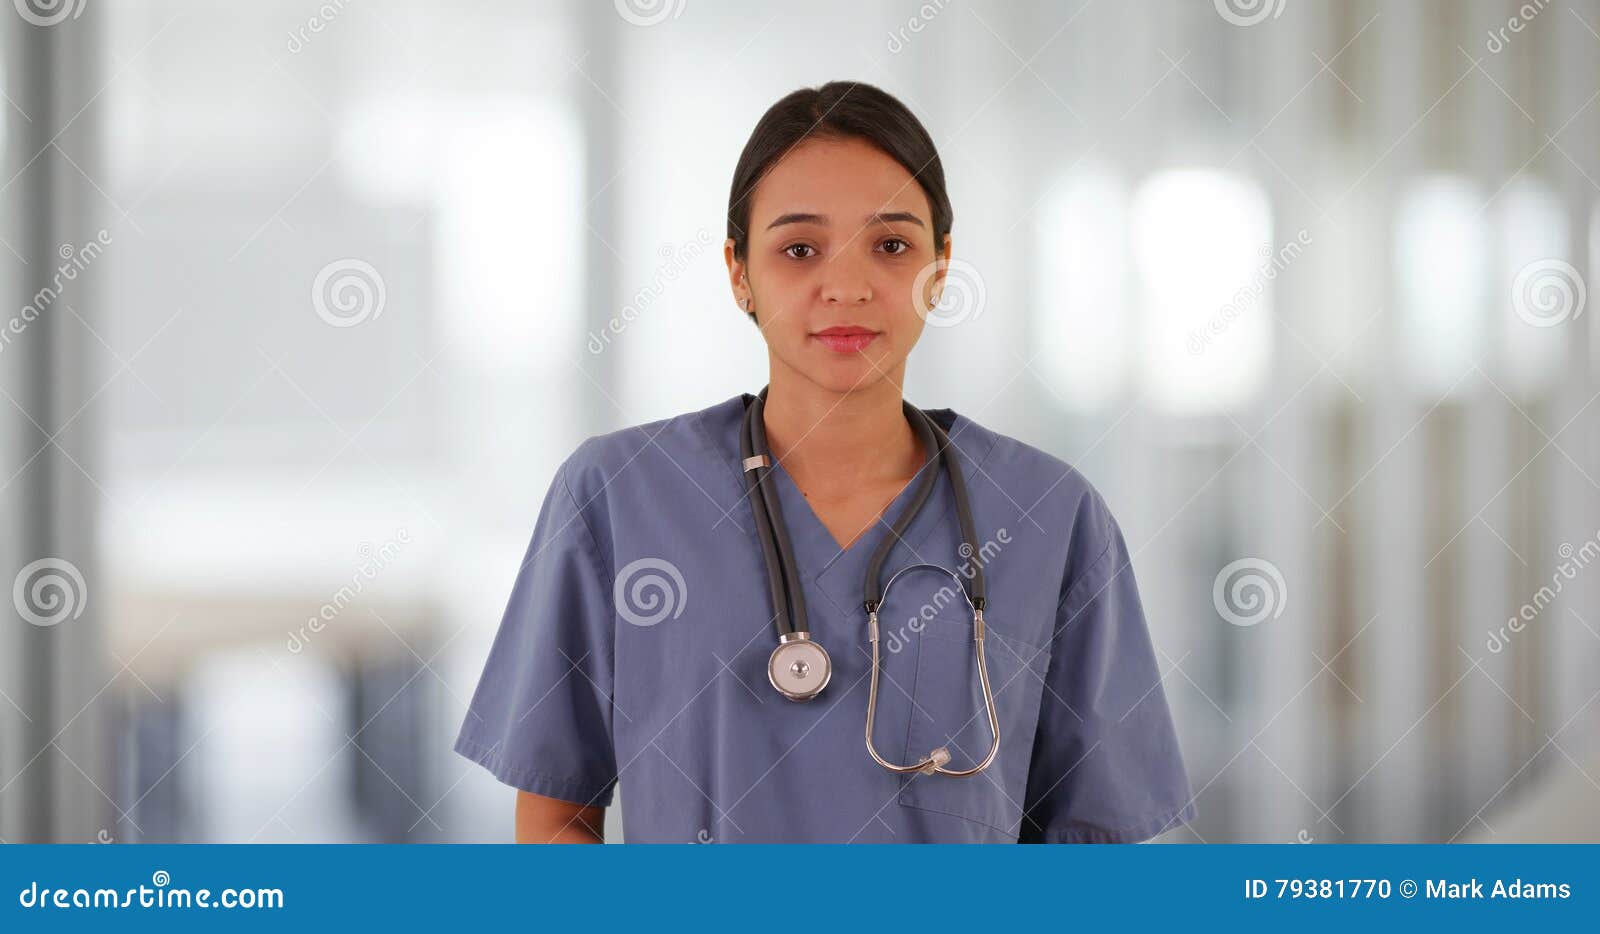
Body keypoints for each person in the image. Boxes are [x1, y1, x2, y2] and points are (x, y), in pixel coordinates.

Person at [453, 80, 1195, 844]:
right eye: (799, 249)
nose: (846, 287)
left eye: (892, 246)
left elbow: (1097, 841)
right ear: (739, 271)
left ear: (941, 268)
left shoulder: (1051, 515)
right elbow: (553, 818)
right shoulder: (617, 494)